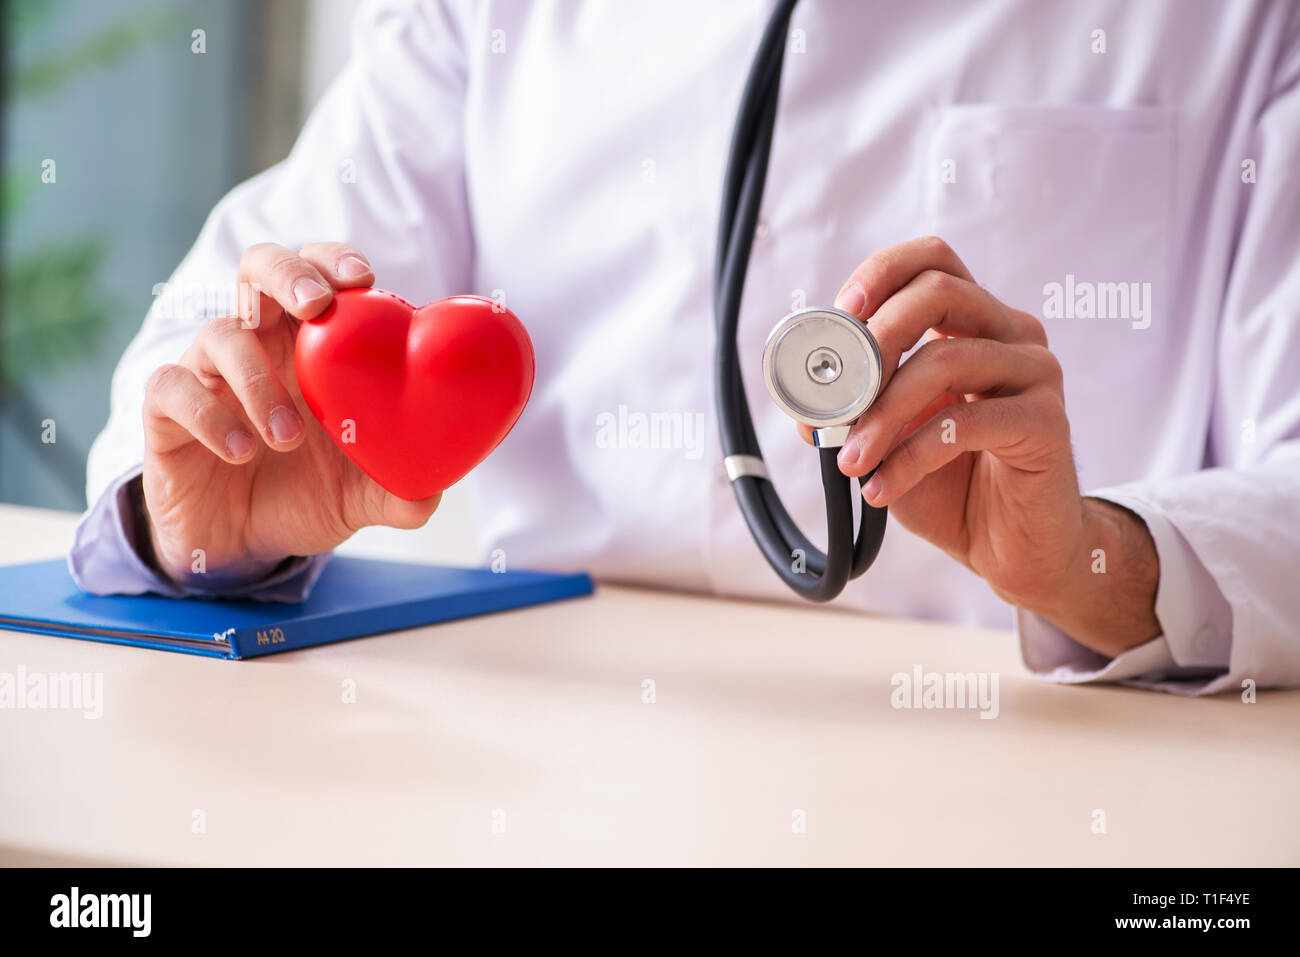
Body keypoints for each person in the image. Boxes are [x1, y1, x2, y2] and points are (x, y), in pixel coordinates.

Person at [70, 0, 1300, 695]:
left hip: (1036, 774)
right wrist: (200, 515)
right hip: (520, 776)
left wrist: (1095, 560)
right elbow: (237, 312)